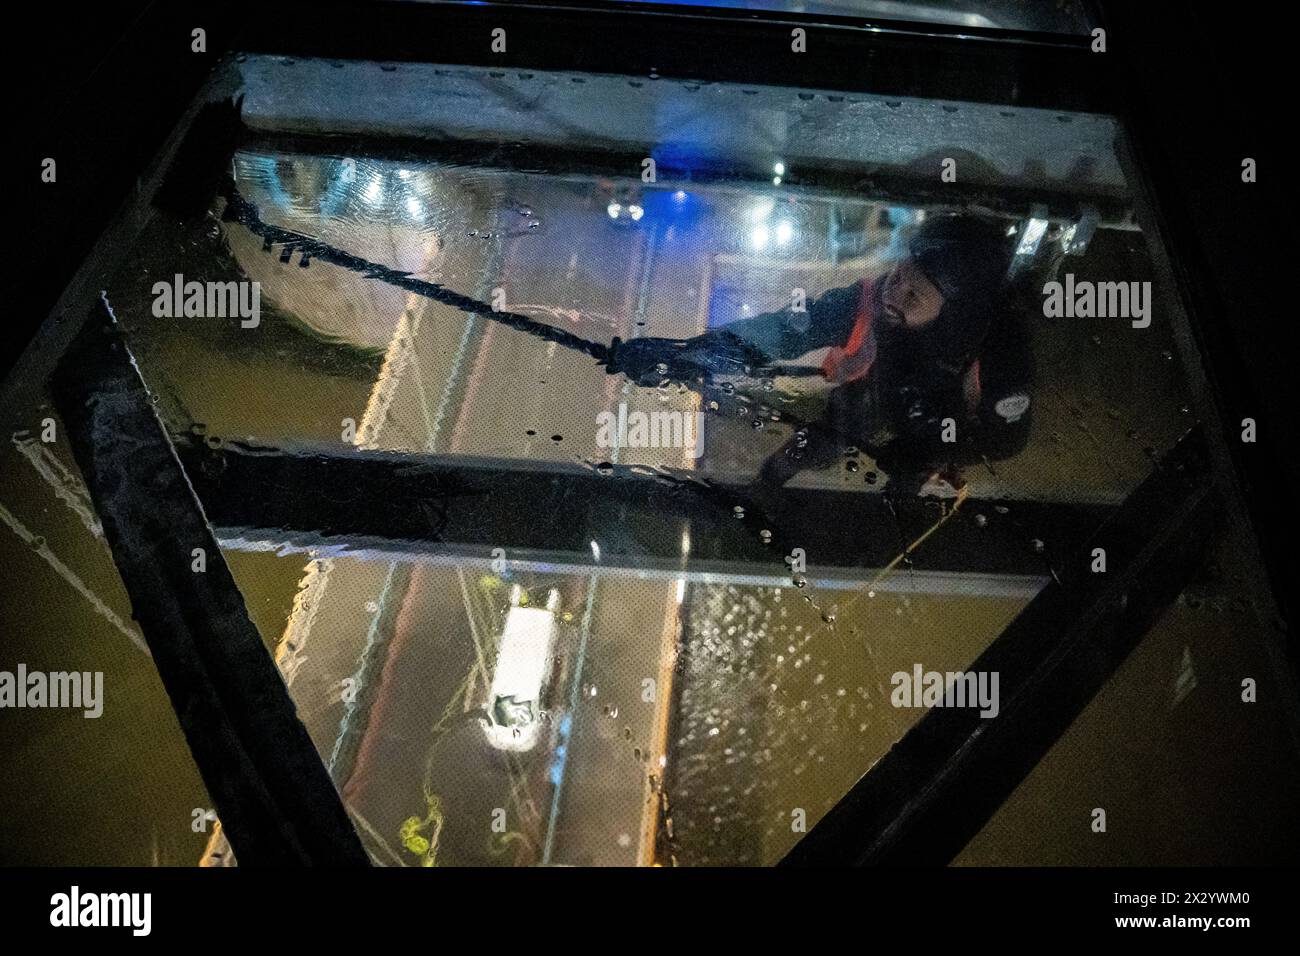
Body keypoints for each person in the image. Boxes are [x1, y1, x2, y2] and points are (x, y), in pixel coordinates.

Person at [609, 214, 1034, 495]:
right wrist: (683, 357)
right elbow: (777, 332)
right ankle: (765, 489)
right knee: (818, 444)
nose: (894, 292)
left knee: (900, 487)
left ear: (954, 314)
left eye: (914, 294)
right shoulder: (867, 301)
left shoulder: (998, 351)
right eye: (901, 273)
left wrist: (935, 452)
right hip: (865, 400)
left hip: (934, 430)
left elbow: (1004, 440)